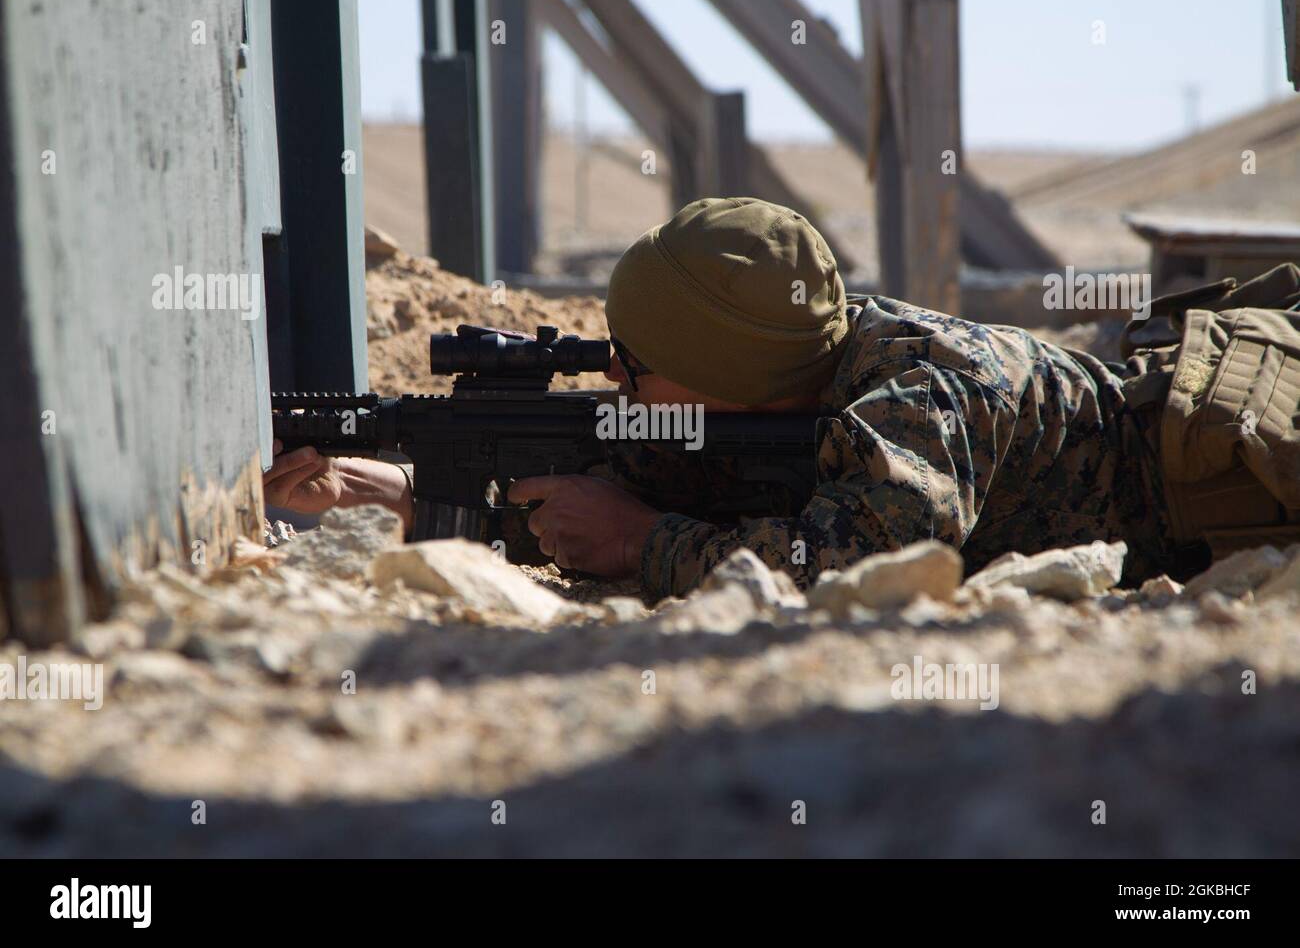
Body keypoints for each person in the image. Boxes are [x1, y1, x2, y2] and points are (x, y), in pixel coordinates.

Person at [265, 197, 1300, 599]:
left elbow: (851, 568)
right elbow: (667, 479)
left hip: (1210, 489)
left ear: (730, 375)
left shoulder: (922, 395)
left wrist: (642, 541)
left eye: (633, 363)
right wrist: (411, 495)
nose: (611, 379)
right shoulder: (785, 372)